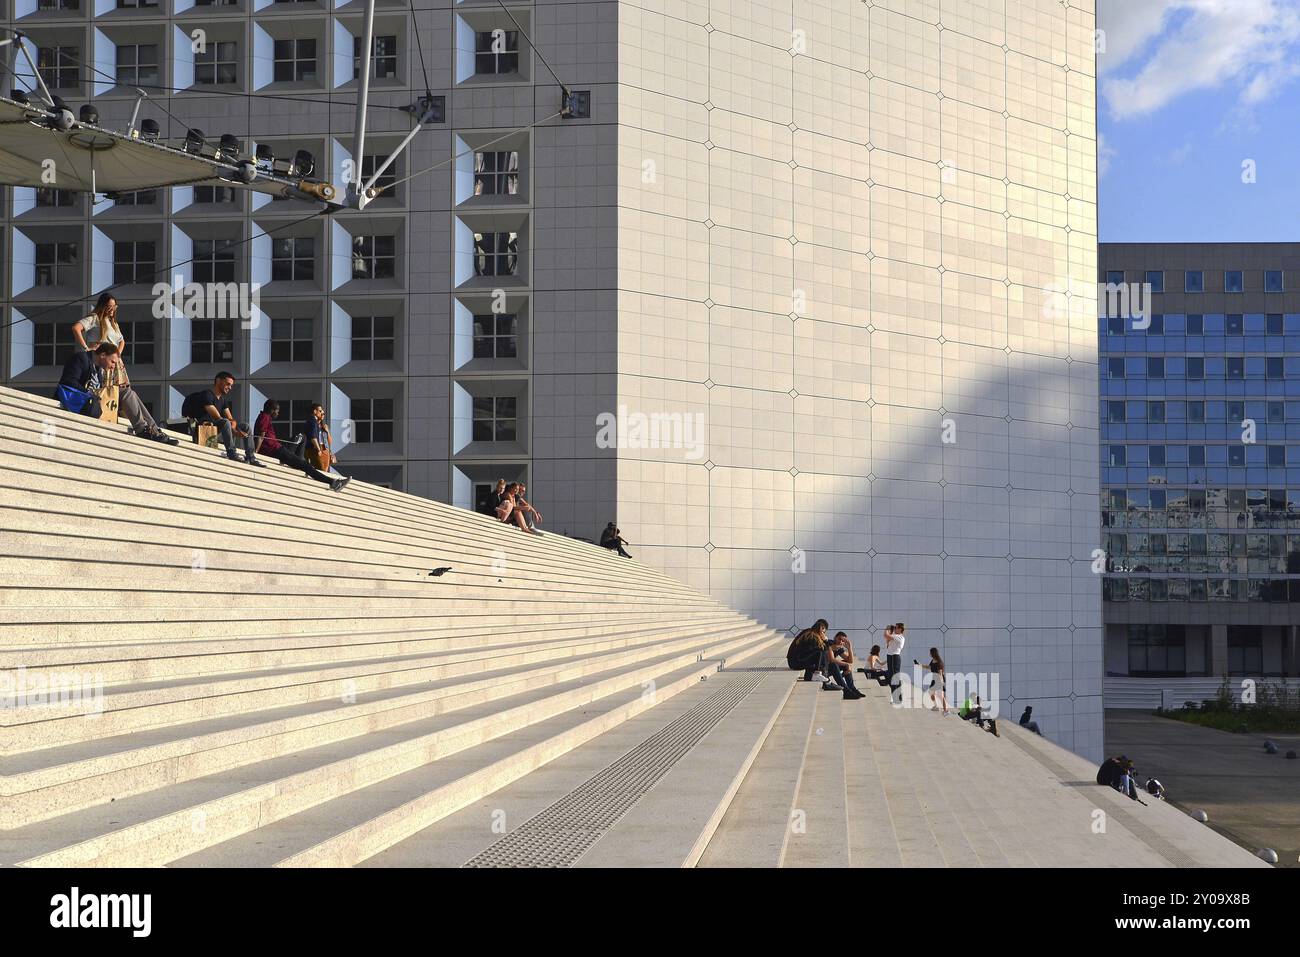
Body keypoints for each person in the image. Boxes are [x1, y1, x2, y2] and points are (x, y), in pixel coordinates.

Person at [55, 343, 178, 444]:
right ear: (103, 355)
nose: (114, 367)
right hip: (79, 403)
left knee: (130, 393)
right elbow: (68, 381)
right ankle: (143, 429)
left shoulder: (98, 370)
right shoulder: (81, 359)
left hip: (93, 404)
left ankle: (154, 430)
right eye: (113, 362)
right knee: (125, 392)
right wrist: (91, 394)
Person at [254, 399, 350, 492]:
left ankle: (300, 460)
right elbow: (260, 436)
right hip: (276, 450)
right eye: (277, 410)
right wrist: (256, 452)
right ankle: (333, 482)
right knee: (305, 465)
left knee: (302, 438)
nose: (278, 413)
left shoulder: (263, 417)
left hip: (277, 449)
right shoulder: (265, 417)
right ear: (272, 410)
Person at [181, 371, 265, 466]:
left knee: (245, 426)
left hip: (217, 430)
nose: (230, 388)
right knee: (224, 422)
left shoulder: (223, 400)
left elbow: (231, 419)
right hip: (205, 430)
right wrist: (234, 431)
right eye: (228, 384)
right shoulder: (206, 395)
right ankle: (231, 453)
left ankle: (251, 457)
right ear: (218, 381)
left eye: (231, 385)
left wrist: (234, 429)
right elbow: (217, 417)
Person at [786, 619, 832, 683]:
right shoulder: (811, 635)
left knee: (818, 653)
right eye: (824, 630)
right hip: (795, 663)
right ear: (821, 628)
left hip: (795, 661)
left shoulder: (809, 632)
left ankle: (811, 675)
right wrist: (825, 640)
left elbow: (810, 653)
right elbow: (823, 650)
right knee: (819, 653)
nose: (824, 633)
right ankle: (817, 674)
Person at [304, 403, 340, 475]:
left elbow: (329, 442)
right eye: (321, 412)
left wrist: (327, 431)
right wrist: (318, 449)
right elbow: (312, 437)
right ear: (315, 411)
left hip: (324, 449)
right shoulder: (313, 423)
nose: (322, 415)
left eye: (323, 414)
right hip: (318, 448)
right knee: (321, 470)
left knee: (325, 471)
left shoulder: (323, 427)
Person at [828, 632, 865, 700]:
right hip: (822, 670)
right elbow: (831, 660)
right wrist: (846, 664)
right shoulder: (829, 643)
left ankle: (852, 688)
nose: (841, 641)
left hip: (829, 669)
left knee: (845, 665)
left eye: (843, 641)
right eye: (839, 639)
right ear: (835, 638)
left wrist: (849, 647)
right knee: (834, 664)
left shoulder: (839, 648)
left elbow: (850, 660)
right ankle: (846, 691)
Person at [915, 647, 949, 715]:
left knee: (941, 696)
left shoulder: (939, 662)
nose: (929, 654)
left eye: (930, 652)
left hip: (939, 680)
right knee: (931, 693)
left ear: (933, 653)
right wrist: (920, 665)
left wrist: (941, 682)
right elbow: (929, 667)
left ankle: (946, 710)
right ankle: (936, 706)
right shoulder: (933, 660)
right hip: (934, 679)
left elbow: (940, 673)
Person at [885, 621, 906, 697]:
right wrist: (890, 631)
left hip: (894, 657)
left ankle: (897, 696)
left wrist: (887, 629)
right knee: (892, 677)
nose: (894, 629)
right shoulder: (894, 635)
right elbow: (887, 642)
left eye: (896, 627)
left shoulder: (900, 637)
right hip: (890, 656)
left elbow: (886, 635)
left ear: (900, 629)